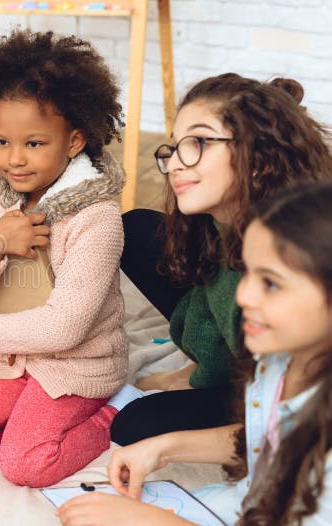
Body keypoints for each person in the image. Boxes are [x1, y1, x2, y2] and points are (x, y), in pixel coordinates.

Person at [0, 29, 136, 488]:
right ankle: (25, 412)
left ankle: (118, 410)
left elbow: (64, 328)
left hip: (76, 365)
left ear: (74, 141)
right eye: (2, 142)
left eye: (34, 144)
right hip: (6, 361)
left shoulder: (97, 218)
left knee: (26, 465)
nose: (14, 160)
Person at [58, 181, 332, 525]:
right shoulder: (278, 360)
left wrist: (148, 521)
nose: (244, 297)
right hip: (243, 502)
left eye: (271, 283)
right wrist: (163, 448)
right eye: (247, 273)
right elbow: (265, 439)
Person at [111, 73, 332, 445]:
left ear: (258, 157)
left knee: (133, 424)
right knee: (136, 227)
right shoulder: (217, 219)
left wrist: (196, 380)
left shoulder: (290, 245)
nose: (176, 163)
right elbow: (206, 297)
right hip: (234, 331)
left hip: (264, 372)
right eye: (175, 146)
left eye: (198, 142)